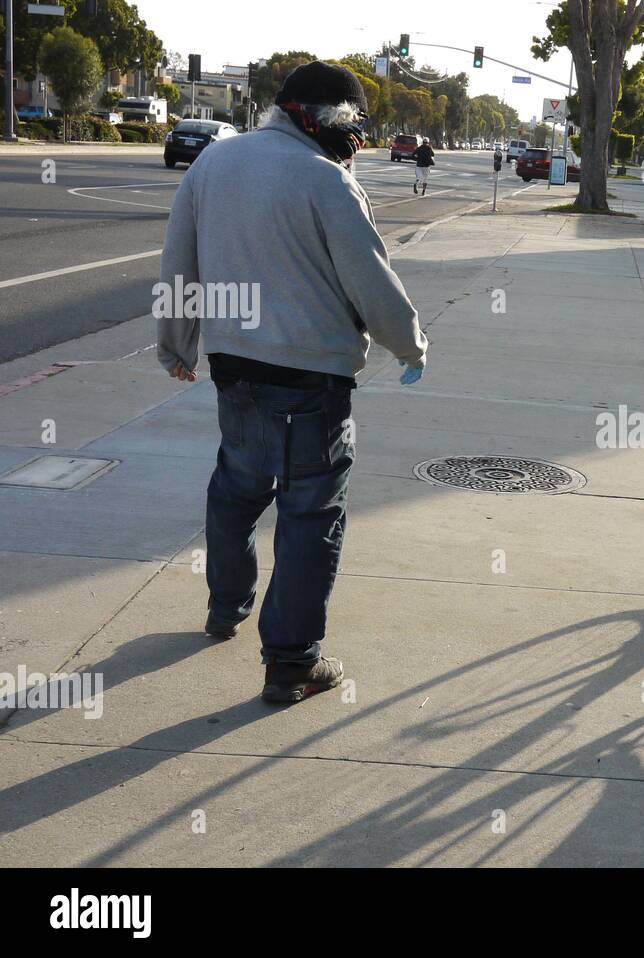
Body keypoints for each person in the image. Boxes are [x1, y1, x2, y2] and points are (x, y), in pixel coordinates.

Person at [156, 61, 429, 704]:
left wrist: (175, 344)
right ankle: (290, 662)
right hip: (312, 380)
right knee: (309, 516)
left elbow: (179, 261)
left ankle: (226, 608)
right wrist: (410, 344)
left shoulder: (212, 166)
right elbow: (370, 282)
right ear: (326, 118)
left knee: (236, 490)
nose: (357, 140)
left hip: (236, 373)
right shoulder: (325, 180)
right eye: (353, 125)